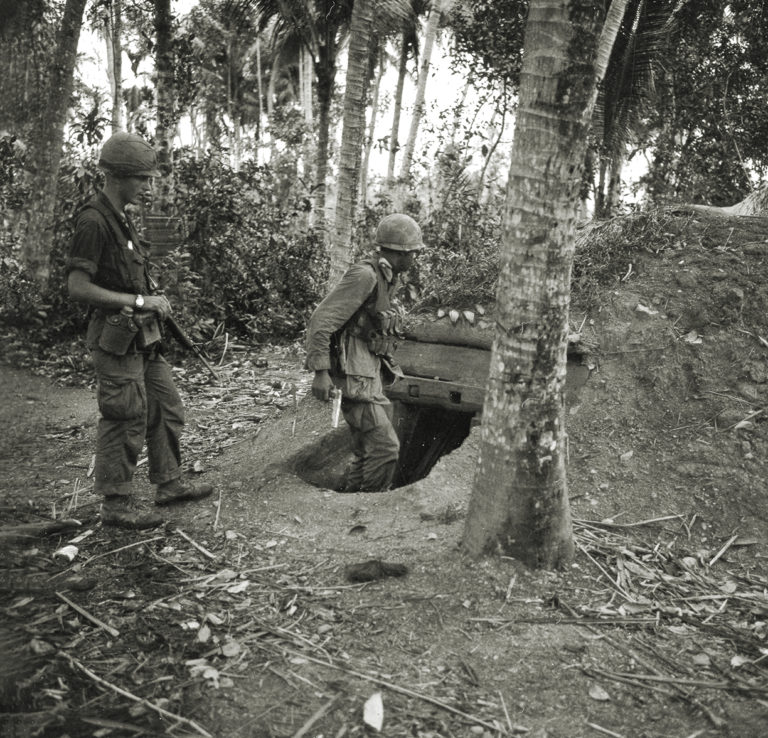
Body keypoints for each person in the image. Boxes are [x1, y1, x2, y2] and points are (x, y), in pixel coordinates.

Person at [67, 131, 213, 529]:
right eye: (142, 178)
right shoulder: (94, 221)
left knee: (166, 406)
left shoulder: (121, 218)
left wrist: (149, 299)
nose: (148, 186)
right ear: (117, 177)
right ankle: (115, 504)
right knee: (124, 415)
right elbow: (77, 287)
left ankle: (169, 483)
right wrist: (137, 302)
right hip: (116, 340)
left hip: (142, 337)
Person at [305, 213, 424, 492]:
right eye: (413, 253)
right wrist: (320, 373)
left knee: (366, 449)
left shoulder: (386, 276)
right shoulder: (366, 275)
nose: (415, 259)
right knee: (385, 449)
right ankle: (368, 506)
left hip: (367, 371)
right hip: (354, 375)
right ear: (400, 252)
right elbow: (321, 321)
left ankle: (352, 501)